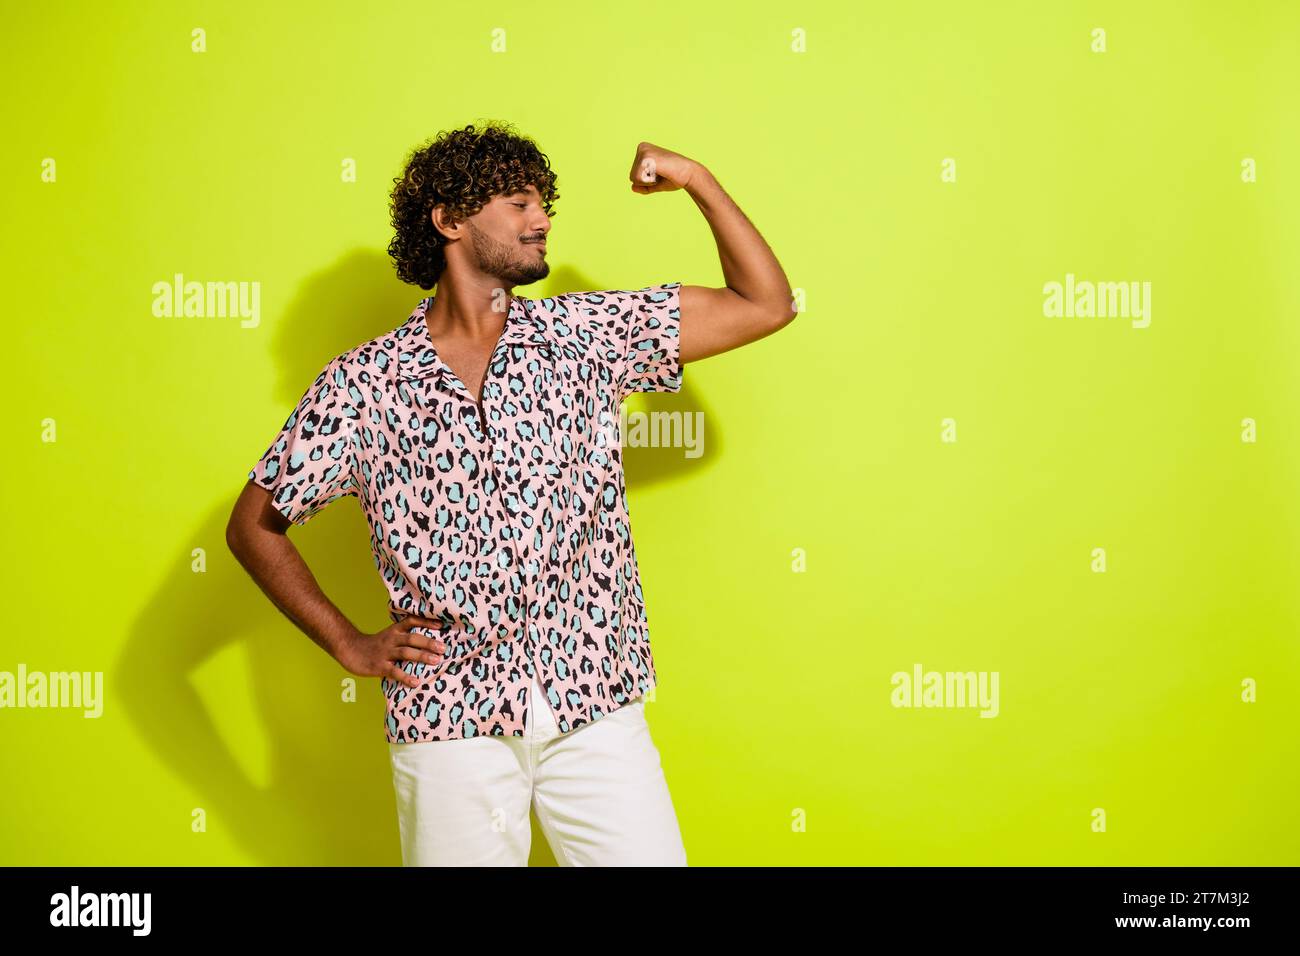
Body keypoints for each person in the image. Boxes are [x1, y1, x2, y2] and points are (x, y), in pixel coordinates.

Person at [226, 120, 796, 866]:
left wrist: (697, 179)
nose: (543, 220)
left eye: (543, 204)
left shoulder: (586, 334)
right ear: (449, 221)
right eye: (519, 203)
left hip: (592, 700)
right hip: (448, 720)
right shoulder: (364, 384)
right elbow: (253, 526)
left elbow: (766, 303)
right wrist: (348, 643)